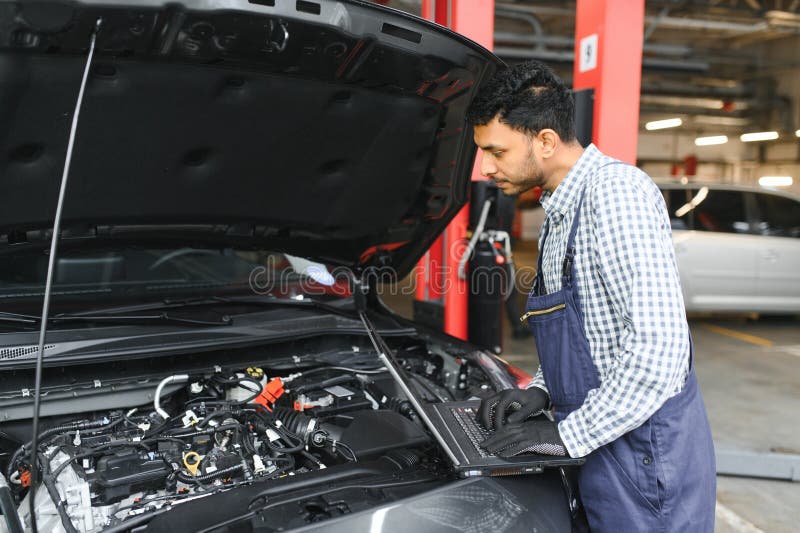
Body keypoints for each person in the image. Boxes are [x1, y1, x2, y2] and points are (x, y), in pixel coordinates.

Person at [466, 60, 716, 532]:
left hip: (646, 459)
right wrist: (540, 390)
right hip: (601, 442)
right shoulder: (560, 211)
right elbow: (586, 331)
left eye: (495, 151)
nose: (485, 167)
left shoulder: (615, 194)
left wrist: (564, 435)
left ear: (544, 140)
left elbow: (659, 353)